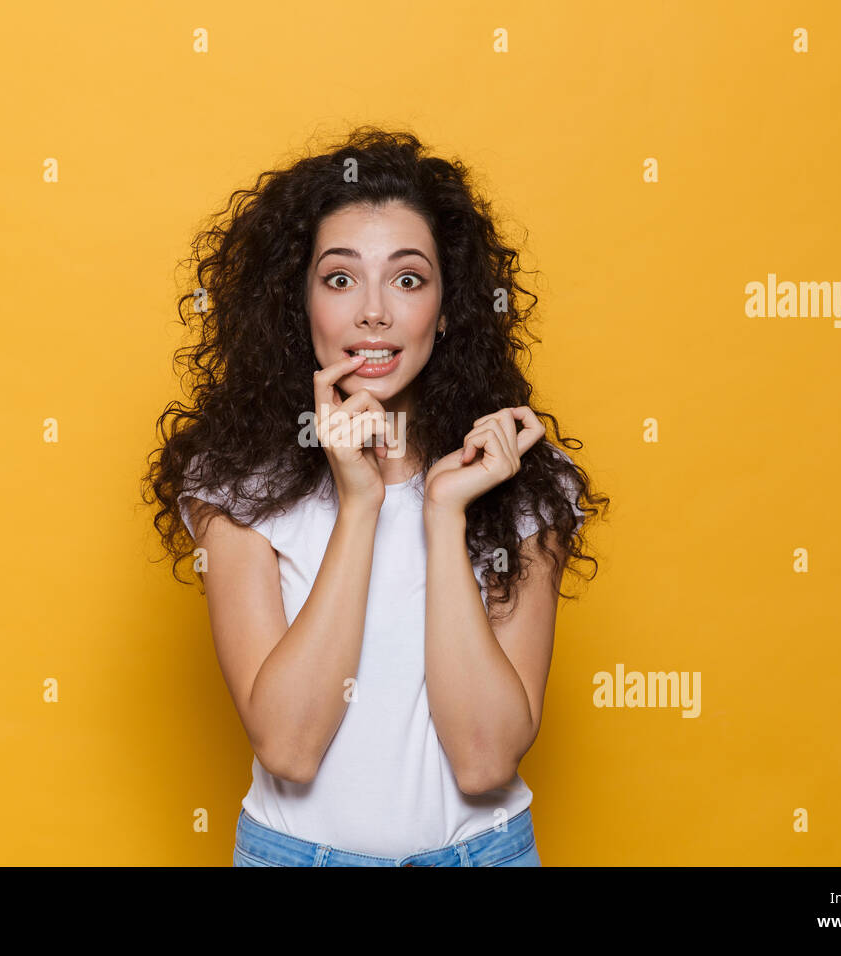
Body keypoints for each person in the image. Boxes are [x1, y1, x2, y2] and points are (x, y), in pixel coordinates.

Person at [145, 127, 608, 866]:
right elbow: (289, 747)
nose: (373, 313)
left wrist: (443, 512)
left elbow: (486, 761)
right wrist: (359, 504)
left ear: (447, 308)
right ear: (298, 306)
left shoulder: (521, 475)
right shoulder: (235, 484)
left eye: (407, 278)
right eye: (339, 279)